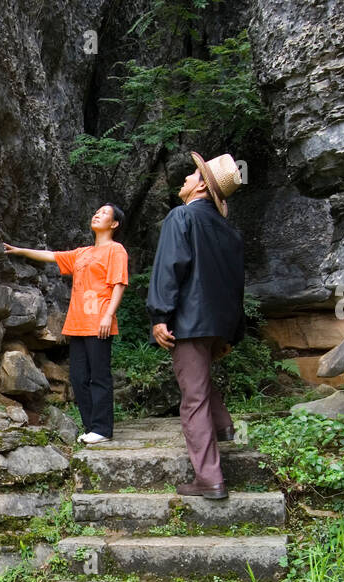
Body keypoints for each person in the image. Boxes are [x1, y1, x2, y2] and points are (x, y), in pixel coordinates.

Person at [147, 151, 245, 500]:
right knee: (200, 380)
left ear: (202, 184)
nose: (185, 179)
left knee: (193, 399)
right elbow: (236, 285)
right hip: (218, 324)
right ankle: (224, 427)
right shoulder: (228, 231)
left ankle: (209, 479)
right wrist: (232, 332)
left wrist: (160, 316)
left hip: (189, 321)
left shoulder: (181, 217)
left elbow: (170, 268)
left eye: (191, 175)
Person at [3, 204, 128, 444]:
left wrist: (107, 316)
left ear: (114, 224)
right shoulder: (83, 253)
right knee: (79, 377)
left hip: (99, 320)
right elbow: (52, 256)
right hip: (77, 323)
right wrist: (19, 250)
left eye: (104, 213)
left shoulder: (116, 250)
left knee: (99, 376)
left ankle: (102, 428)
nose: (97, 214)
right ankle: (92, 428)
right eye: (97, 211)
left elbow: (119, 284)